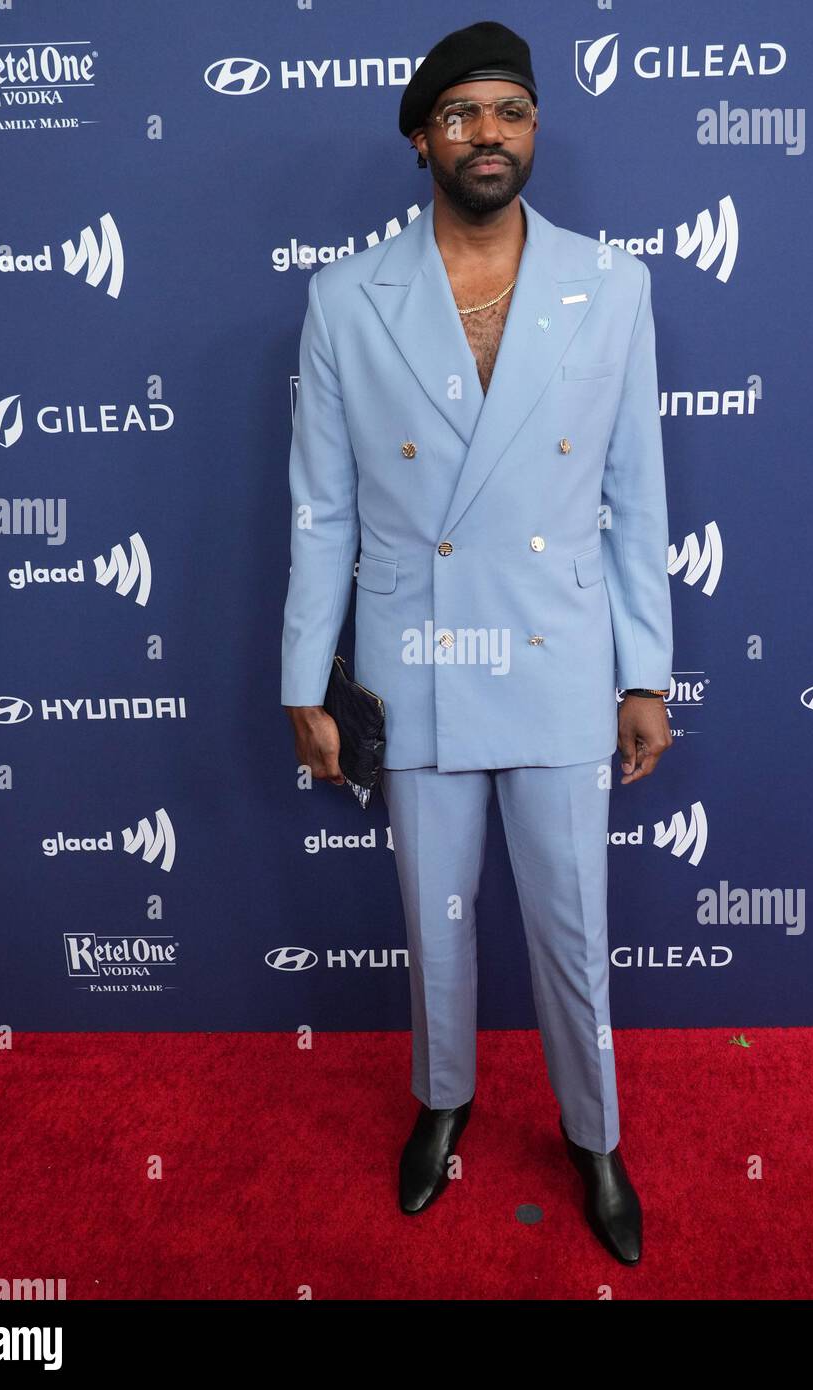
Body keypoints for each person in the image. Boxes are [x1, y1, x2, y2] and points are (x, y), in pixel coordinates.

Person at [281, 20, 673, 1266]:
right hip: (420, 662)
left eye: (508, 110)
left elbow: (637, 497)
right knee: (433, 918)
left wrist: (644, 669)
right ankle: (442, 1099)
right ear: (420, 139)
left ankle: (592, 1134)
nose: (487, 133)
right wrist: (306, 680)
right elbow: (323, 508)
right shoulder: (345, 298)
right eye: (460, 114)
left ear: (534, 129)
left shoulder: (612, 288)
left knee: (569, 925)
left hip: (560, 654)